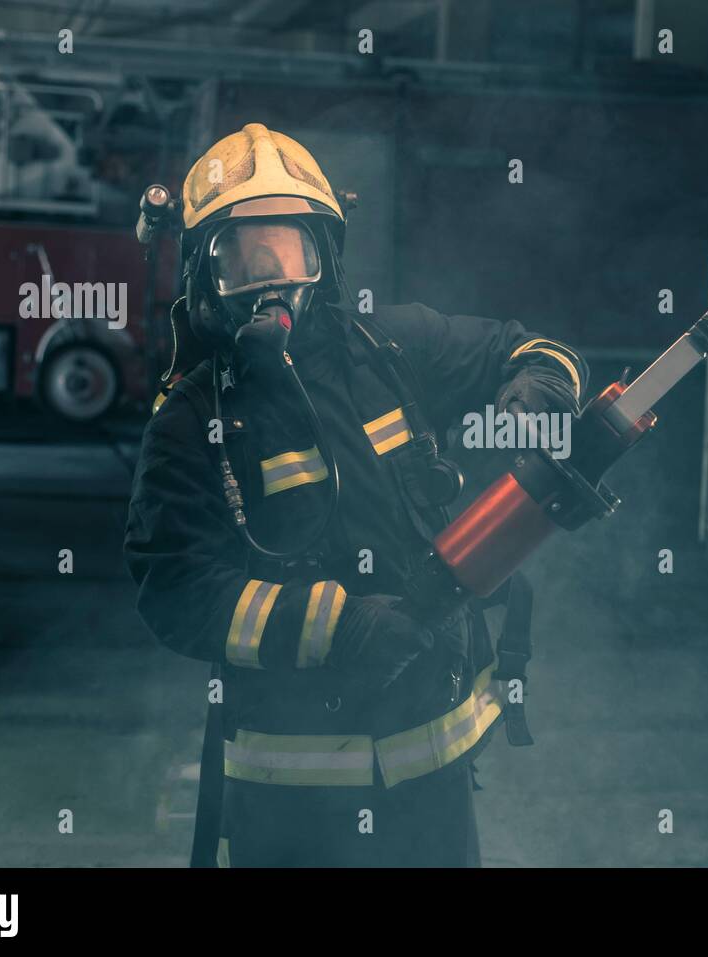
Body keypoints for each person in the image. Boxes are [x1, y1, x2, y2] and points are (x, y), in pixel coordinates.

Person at [123, 123, 586, 867]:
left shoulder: (394, 349)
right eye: (243, 257)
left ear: (325, 258)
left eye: (290, 250)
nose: (272, 280)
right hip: (289, 796)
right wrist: (338, 626)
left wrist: (538, 390)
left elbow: (529, 347)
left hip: (433, 779)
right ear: (206, 279)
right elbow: (174, 587)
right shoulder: (192, 419)